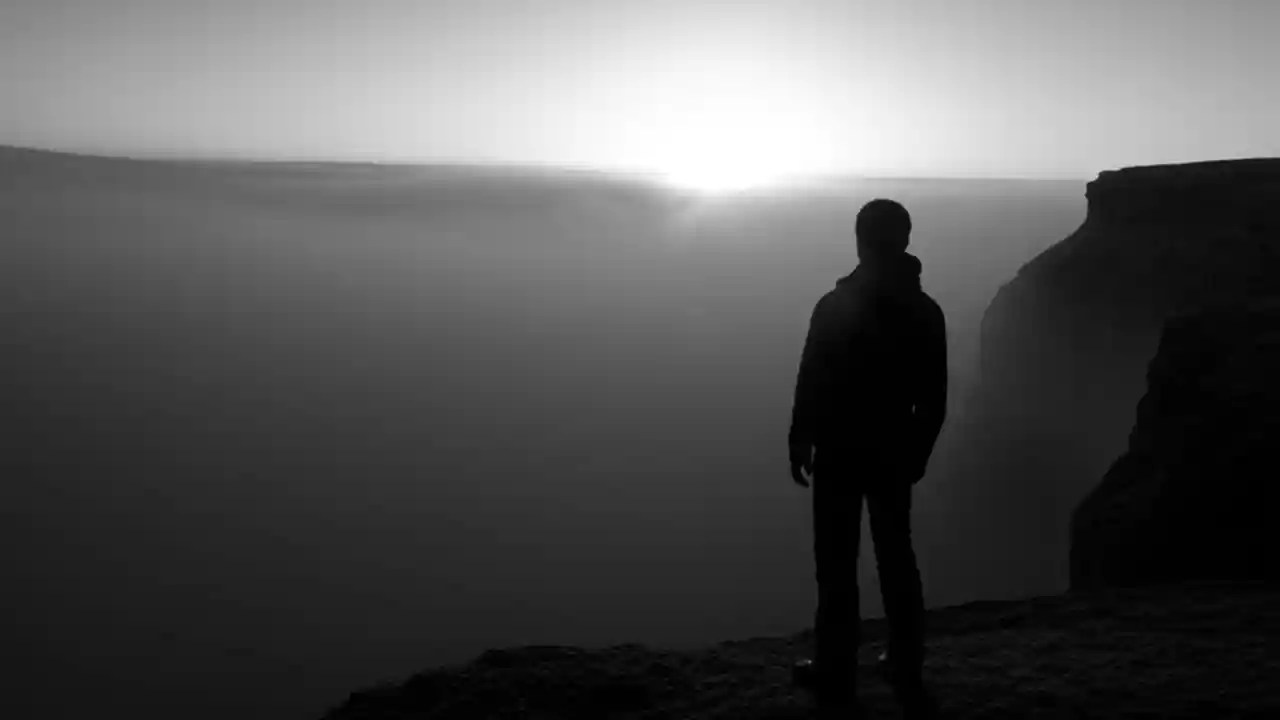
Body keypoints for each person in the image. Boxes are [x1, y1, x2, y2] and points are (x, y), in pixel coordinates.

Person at [788, 199, 946, 717]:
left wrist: (801, 435)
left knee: (836, 563)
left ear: (860, 240)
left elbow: (812, 374)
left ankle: (836, 671)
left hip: (839, 448)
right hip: (891, 451)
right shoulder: (925, 312)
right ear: (904, 240)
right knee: (896, 558)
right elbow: (934, 400)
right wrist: (917, 454)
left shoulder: (836, 304)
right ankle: (904, 665)